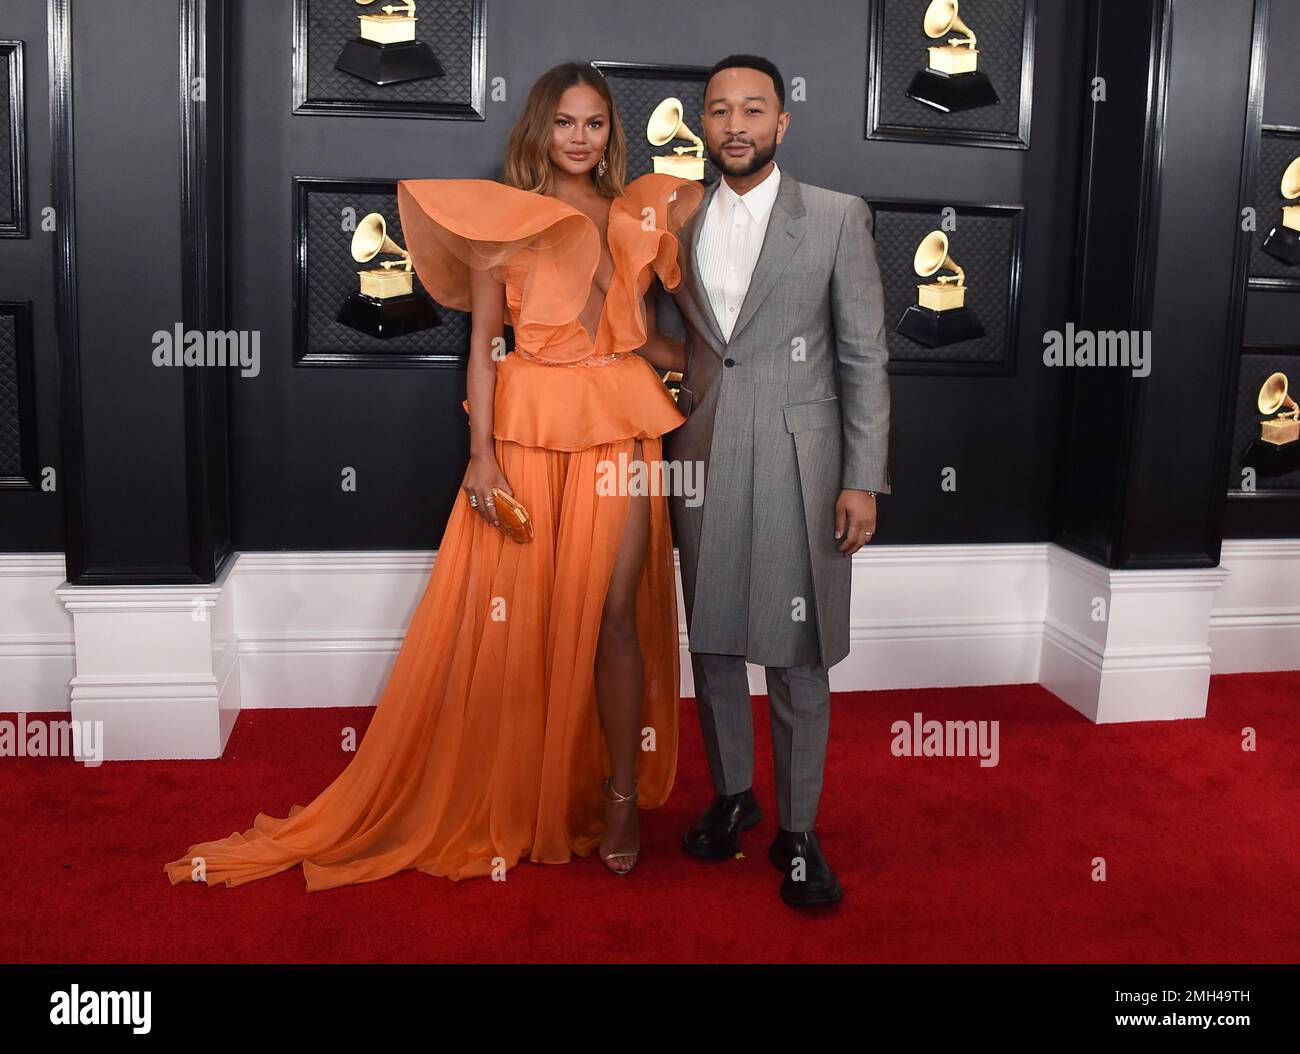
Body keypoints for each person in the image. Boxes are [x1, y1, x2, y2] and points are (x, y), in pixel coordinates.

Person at [163, 62, 705, 890]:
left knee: (615, 616)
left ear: (610, 134)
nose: (579, 137)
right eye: (565, 121)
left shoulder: (638, 210)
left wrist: (711, 362)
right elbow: (485, 348)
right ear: (539, 127)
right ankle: (526, 789)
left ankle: (621, 794)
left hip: (621, 428)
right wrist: (481, 455)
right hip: (526, 428)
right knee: (521, 619)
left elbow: (665, 309)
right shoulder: (502, 220)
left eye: (595, 123)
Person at [660, 55, 892, 908]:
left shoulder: (835, 217)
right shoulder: (674, 219)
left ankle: (798, 832)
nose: (734, 126)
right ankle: (733, 798)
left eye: (752, 109)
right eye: (719, 111)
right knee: (714, 640)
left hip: (805, 459)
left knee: (797, 656)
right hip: (702, 454)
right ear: (702, 124)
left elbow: (865, 354)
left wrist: (863, 477)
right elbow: (672, 340)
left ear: (781, 123)